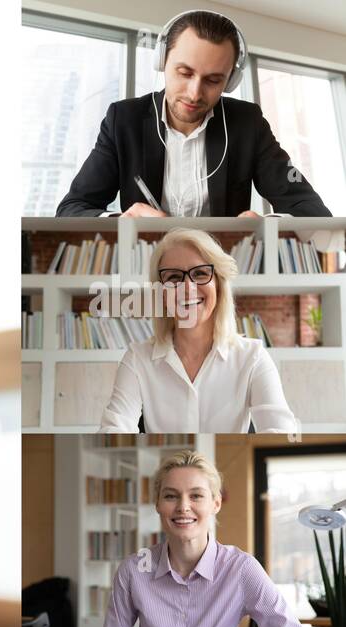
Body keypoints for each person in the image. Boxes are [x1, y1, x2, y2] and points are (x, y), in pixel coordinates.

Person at [57, 10, 332, 218]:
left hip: (221, 276)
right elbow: (72, 208)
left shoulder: (248, 125)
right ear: (162, 60)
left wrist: (267, 227)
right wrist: (122, 221)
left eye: (213, 81)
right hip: (145, 273)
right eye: (185, 72)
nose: (194, 93)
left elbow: (310, 208)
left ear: (231, 81)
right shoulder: (123, 120)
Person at [101, 450, 313, 627]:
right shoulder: (133, 570)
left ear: (216, 503)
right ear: (157, 504)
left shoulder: (242, 569)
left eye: (196, 496)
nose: (183, 507)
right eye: (170, 496)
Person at [98, 228, 295, 433]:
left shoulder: (253, 357)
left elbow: (280, 432)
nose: (187, 287)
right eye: (173, 277)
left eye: (200, 273)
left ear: (218, 285)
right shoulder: (137, 359)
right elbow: (114, 429)